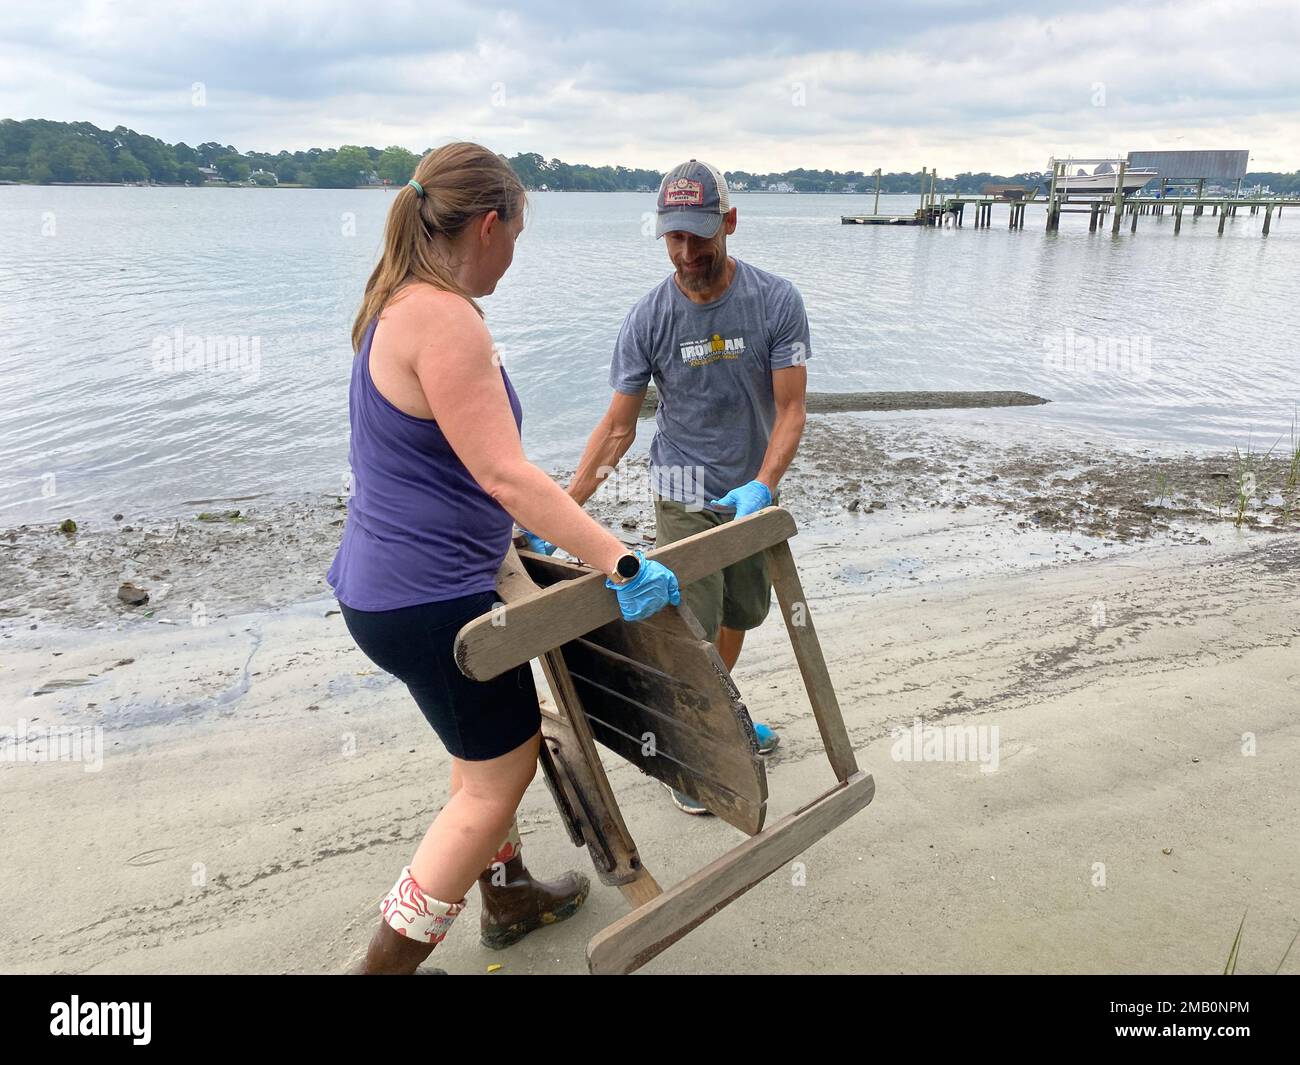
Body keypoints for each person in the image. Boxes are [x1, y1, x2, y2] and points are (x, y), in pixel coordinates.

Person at [327, 142, 681, 974]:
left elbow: (438, 463)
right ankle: (382, 968)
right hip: (433, 603)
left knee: (477, 756)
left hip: (385, 588)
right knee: (494, 784)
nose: (515, 257)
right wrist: (622, 561)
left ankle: (511, 893)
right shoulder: (444, 317)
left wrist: (511, 534)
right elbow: (503, 471)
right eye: (516, 234)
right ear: (490, 224)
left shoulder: (393, 301)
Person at [539, 159, 810, 815]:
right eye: (673, 238)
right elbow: (617, 428)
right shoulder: (648, 318)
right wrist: (559, 509)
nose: (686, 253)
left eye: (699, 236)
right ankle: (695, 746)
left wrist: (764, 485)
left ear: (730, 223)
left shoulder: (777, 301)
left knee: (741, 616)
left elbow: (793, 409)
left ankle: (721, 713)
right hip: (683, 492)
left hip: (749, 499)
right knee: (692, 625)